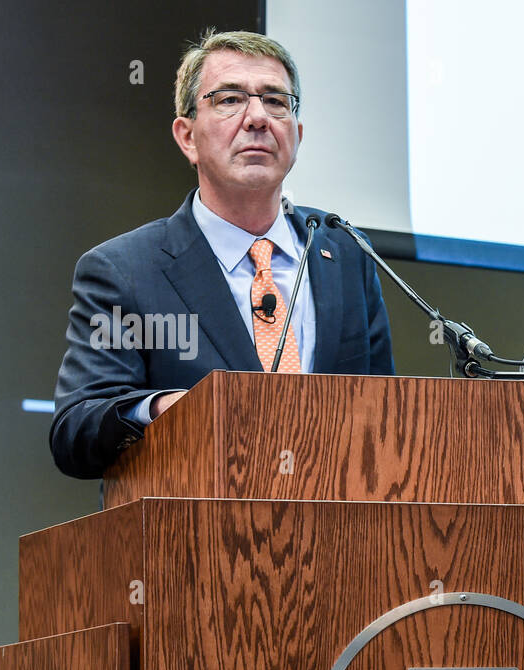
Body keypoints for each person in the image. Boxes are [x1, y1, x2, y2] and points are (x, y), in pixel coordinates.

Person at [49, 29, 394, 479]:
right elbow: (76, 429)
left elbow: (390, 417)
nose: (257, 118)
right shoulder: (125, 272)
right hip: (193, 537)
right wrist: (162, 409)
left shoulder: (344, 253)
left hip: (338, 535)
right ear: (187, 136)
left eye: (275, 101)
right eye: (230, 99)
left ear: (297, 134)